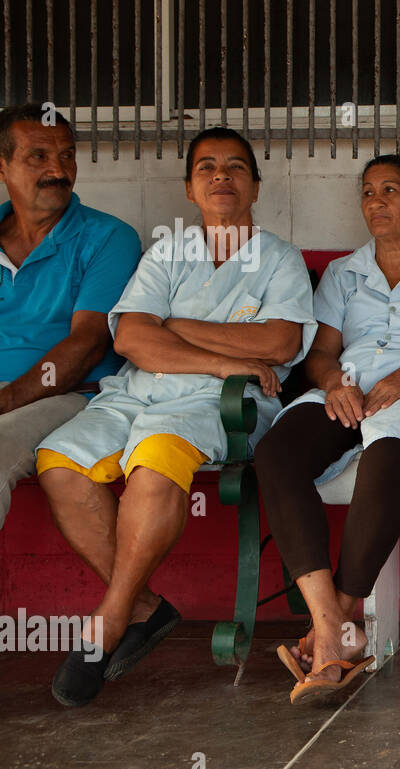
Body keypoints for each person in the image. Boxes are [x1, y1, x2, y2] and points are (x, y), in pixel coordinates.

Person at [37, 126, 316, 706]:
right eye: (207, 167)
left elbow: (282, 341)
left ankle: (110, 621)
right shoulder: (167, 251)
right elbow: (136, 337)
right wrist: (220, 357)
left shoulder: (278, 259)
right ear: (189, 188)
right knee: (59, 460)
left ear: (256, 186)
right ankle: (145, 606)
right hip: (139, 390)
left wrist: (180, 329)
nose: (221, 176)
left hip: (219, 406)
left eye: (236, 167)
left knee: (155, 460)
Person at [255, 155, 400, 703]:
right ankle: (333, 628)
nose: (376, 202)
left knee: (385, 460)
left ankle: (333, 627)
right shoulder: (344, 272)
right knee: (277, 453)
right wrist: (333, 385)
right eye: (368, 192)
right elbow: (321, 353)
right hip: (349, 387)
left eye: (391, 191)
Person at [0, 103, 140, 528]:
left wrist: (4, 400)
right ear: (2, 167)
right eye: (37, 156)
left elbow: (86, 344)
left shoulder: (107, 237)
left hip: (68, 395)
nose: (57, 170)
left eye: (66, 155)